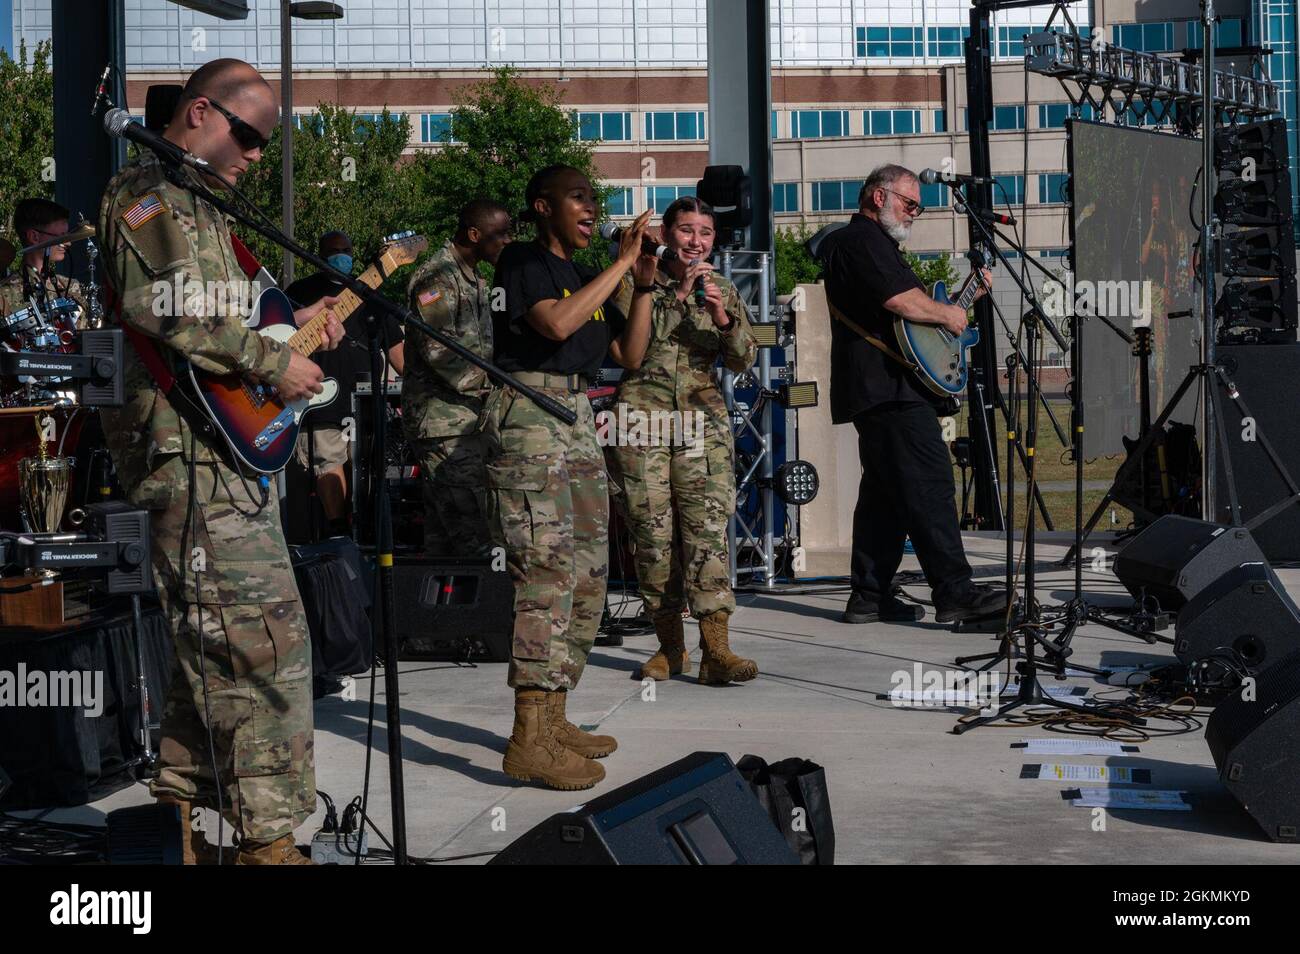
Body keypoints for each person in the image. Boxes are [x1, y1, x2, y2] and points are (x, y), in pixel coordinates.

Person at [98, 58, 344, 864]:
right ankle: (268, 841)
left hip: (225, 459)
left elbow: (238, 316)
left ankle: (180, 828)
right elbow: (165, 310)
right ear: (200, 112)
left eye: (264, 145)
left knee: (211, 646)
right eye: (247, 136)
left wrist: (297, 323)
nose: (253, 156)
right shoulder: (146, 197)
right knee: (261, 644)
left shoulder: (208, 209)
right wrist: (278, 366)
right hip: (185, 460)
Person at [487, 164, 655, 790]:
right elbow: (555, 324)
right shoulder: (522, 262)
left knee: (587, 576)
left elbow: (627, 357)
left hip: (578, 415)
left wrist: (639, 285)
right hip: (529, 417)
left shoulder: (586, 276)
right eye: (579, 197)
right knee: (546, 573)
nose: (592, 207)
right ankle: (528, 736)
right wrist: (619, 265)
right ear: (542, 206)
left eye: (594, 198)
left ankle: (554, 715)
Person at [819, 164, 1007, 626]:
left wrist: (963, 299)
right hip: (890, 391)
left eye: (919, 207)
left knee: (886, 494)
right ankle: (955, 593)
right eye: (909, 203)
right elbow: (902, 302)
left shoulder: (873, 245)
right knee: (930, 485)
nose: (915, 213)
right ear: (878, 197)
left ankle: (868, 595)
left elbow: (910, 319)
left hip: (885, 388)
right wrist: (949, 314)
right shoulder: (860, 240)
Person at [609, 196, 759, 685]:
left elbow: (743, 360)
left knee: (706, 535)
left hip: (701, 427)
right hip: (643, 422)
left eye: (706, 233)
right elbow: (634, 349)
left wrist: (721, 317)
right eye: (687, 230)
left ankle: (717, 650)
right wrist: (675, 297)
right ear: (667, 234)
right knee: (652, 538)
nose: (696, 241)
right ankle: (669, 649)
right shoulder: (632, 280)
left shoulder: (723, 288)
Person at [403, 199, 511, 557]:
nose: (507, 241)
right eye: (501, 235)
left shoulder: (473, 277)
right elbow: (440, 352)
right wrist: (494, 388)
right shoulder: (436, 278)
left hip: (465, 419)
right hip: (443, 424)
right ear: (474, 234)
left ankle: (439, 614)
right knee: (474, 535)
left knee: (445, 539)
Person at [285, 230, 405, 536]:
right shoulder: (300, 291)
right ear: (319, 255)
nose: (342, 256)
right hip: (320, 401)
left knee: (366, 467)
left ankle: (367, 531)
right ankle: (339, 533)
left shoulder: (370, 295)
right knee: (327, 462)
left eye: (346, 249)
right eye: (334, 250)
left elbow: (397, 352)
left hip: (364, 401)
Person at [0, 198, 88, 329]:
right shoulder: (4, 295)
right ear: (34, 237)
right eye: (61, 236)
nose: (68, 243)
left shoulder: (71, 287)